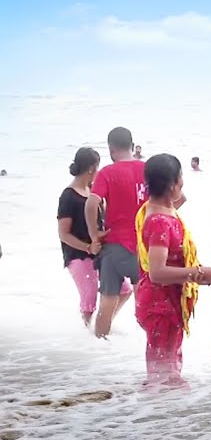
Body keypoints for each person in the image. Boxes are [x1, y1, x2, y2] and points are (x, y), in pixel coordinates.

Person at [135, 155, 211, 391]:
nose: (183, 183)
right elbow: (157, 272)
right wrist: (197, 273)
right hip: (160, 304)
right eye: (181, 178)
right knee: (164, 373)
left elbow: (178, 201)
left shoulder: (158, 210)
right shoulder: (159, 221)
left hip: (166, 300)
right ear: (172, 184)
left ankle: (162, 416)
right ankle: (160, 416)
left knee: (166, 364)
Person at [86, 127, 147, 338]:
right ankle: (152, 351)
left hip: (114, 245)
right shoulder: (147, 169)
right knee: (146, 299)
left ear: (111, 149)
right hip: (144, 246)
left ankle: (99, 349)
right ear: (132, 145)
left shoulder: (107, 173)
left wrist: (95, 235)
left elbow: (91, 203)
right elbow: (178, 198)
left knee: (108, 300)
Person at [58, 147, 107, 326]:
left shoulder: (93, 192)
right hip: (77, 254)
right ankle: (85, 338)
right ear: (91, 168)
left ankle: (101, 326)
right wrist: (87, 247)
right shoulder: (68, 196)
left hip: (100, 252)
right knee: (89, 299)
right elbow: (63, 234)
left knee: (124, 289)